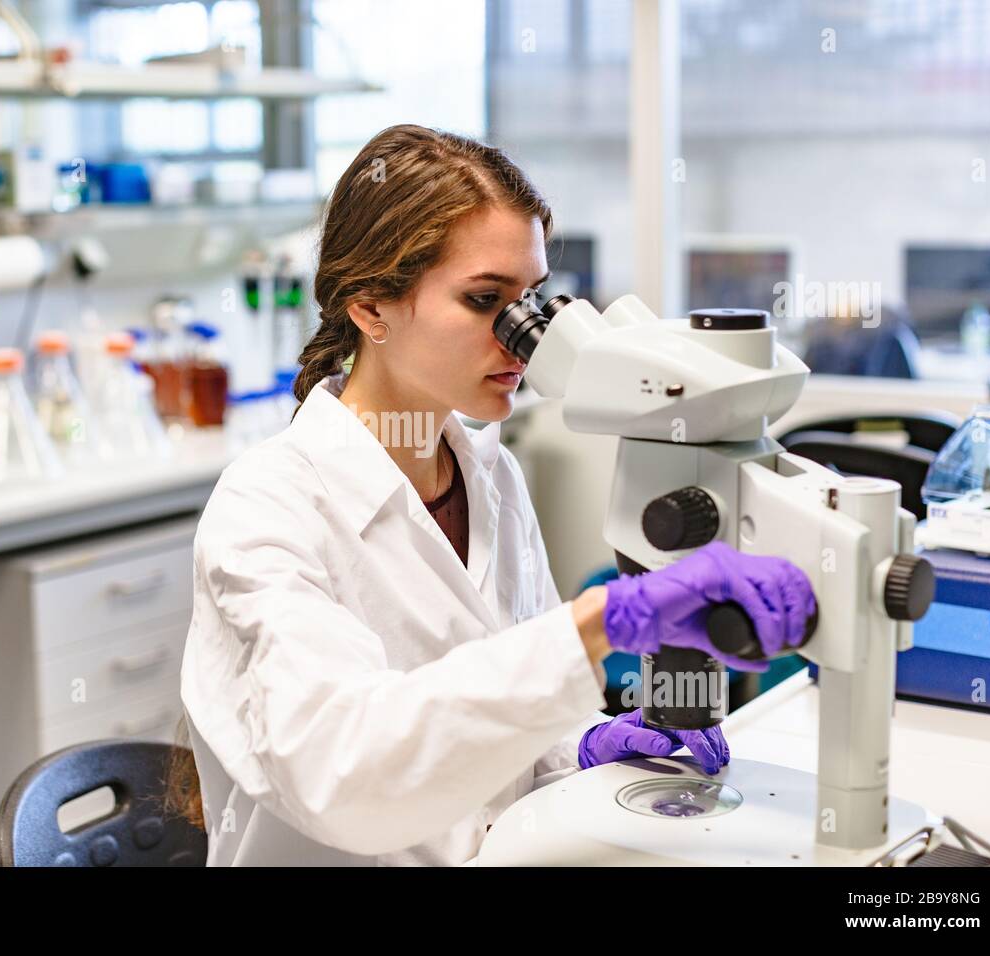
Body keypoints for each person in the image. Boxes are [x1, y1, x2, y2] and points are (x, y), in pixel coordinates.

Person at [174, 124, 815, 866]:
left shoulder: (491, 476)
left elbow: (501, 745)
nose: (522, 338)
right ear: (371, 307)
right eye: (485, 301)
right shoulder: (268, 507)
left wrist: (584, 745)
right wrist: (600, 625)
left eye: (533, 301)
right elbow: (343, 774)